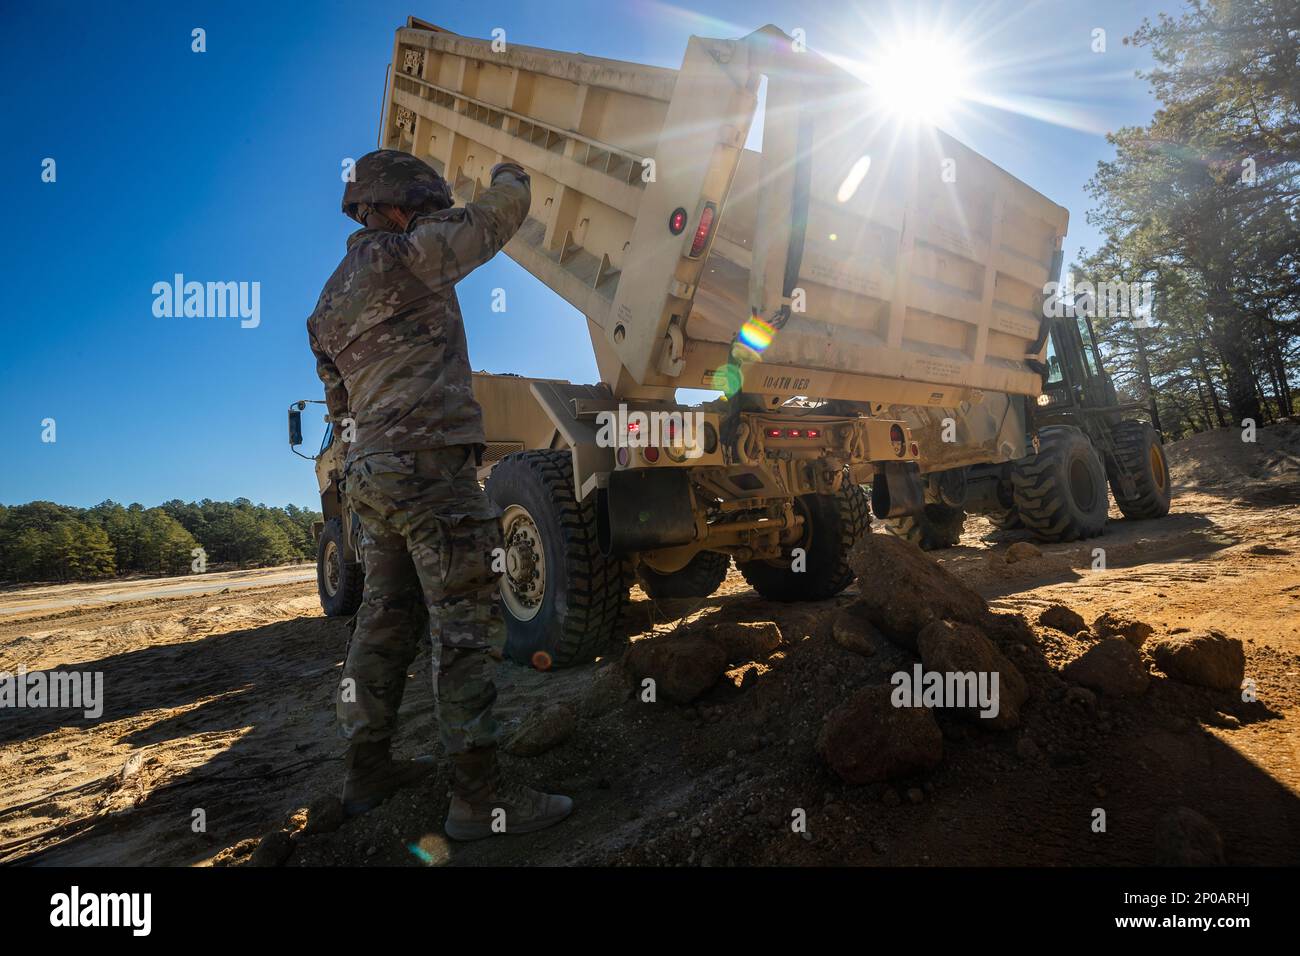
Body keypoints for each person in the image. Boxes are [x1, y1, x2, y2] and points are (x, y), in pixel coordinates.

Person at [306, 149, 571, 840]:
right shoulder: (408, 253)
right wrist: (514, 177)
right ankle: (478, 801)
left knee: (383, 624)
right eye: (422, 206)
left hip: (371, 479)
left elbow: (340, 410)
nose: (429, 216)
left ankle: (366, 775)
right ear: (395, 206)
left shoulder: (326, 305)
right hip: (431, 472)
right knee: (464, 628)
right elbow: (487, 224)